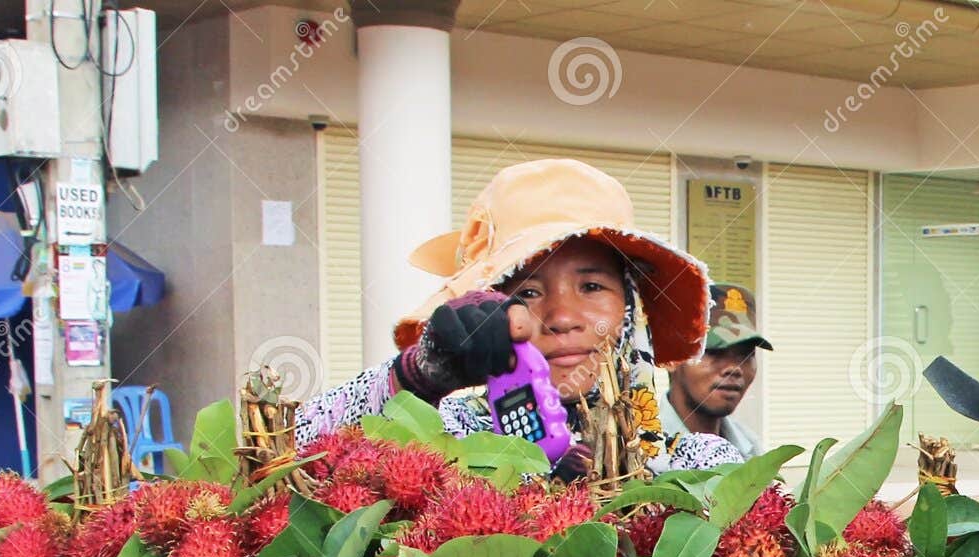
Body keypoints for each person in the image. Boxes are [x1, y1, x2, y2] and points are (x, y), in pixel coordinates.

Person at [296, 159, 738, 474]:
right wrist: (421, 373)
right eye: (527, 292)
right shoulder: (448, 439)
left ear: (629, 307)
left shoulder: (698, 466)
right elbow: (295, 450)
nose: (562, 317)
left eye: (591, 287)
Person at [663, 284, 772, 461]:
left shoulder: (750, 451)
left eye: (746, 354)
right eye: (713, 350)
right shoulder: (639, 450)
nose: (735, 368)